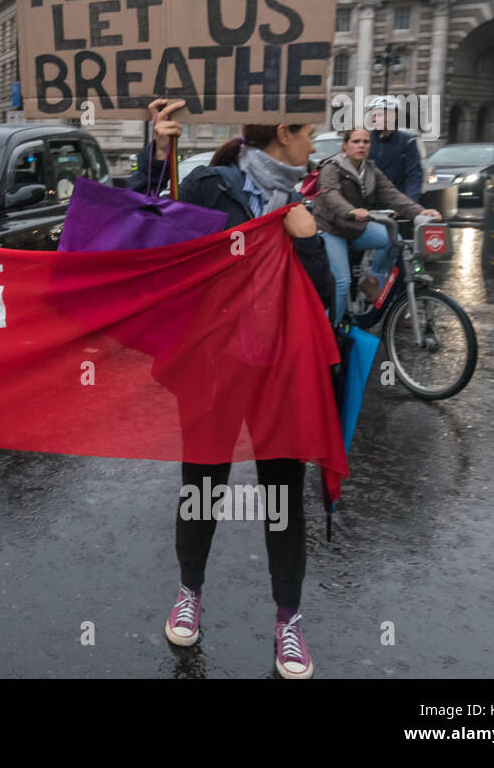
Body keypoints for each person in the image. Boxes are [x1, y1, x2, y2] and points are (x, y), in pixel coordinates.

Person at [145, 98, 333, 680]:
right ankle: (189, 592)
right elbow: (153, 229)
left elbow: (324, 298)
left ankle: (288, 622)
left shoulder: (303, 202)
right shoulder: (208, 186)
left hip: (278, 374)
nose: (314, 146)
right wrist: (157, 153)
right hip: (214, 369)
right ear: (283, 133)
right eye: (308, 135)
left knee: (282, 498)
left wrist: (309, 241)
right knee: (200, 487)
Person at [313, 127, 441, 321]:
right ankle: (328, 333)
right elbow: (331, 194)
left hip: (356, 227)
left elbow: (392, 194)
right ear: (345, 146)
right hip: (332, 229)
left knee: (393, 240)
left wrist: (419, 212)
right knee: (342, 282)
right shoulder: (331, 166)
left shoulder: (371, 170)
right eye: (356, 142)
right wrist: (350, 211)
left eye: (366, 142)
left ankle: (372, 278)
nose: (361, 146)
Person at [366, 97, 424, 202]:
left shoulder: (407, 141)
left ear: (394, 115)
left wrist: (408, 204)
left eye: (379, 115)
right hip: (369, 205)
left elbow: (414, 176)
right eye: (373, 115)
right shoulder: (366, 139)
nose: (374, 119)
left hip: (397, 204)